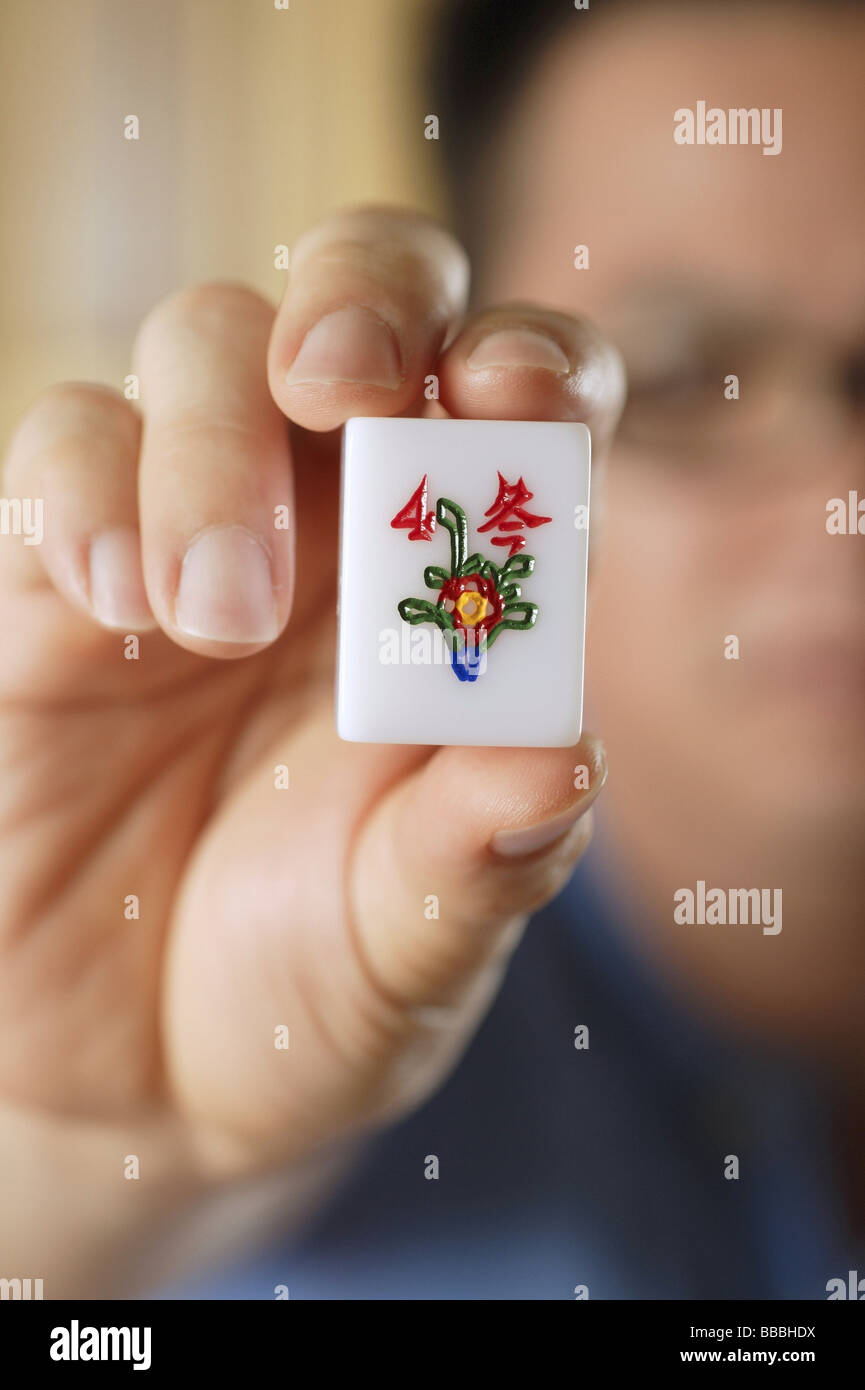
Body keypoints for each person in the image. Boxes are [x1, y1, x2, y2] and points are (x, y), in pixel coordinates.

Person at [1, 0, 863, 1299]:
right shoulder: (290, 947)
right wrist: (74, 1179)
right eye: (692, 372)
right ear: (468, 399)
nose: (839, 499)